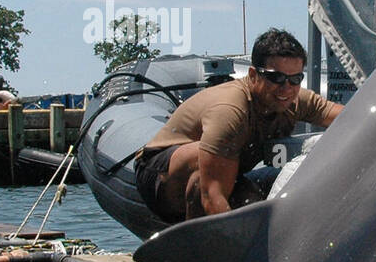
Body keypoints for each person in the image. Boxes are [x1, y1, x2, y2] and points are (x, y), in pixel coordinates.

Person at [135, 28, 343, 222]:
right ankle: (198, 252)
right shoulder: (230, 109)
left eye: (295, 79)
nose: (286, 88)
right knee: (202, 171)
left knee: (252, 200)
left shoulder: (293, 99)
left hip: (228, 175)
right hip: (161, 179)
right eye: (276, 77)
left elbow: (347, 117)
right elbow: (211, 196)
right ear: (253, 75)